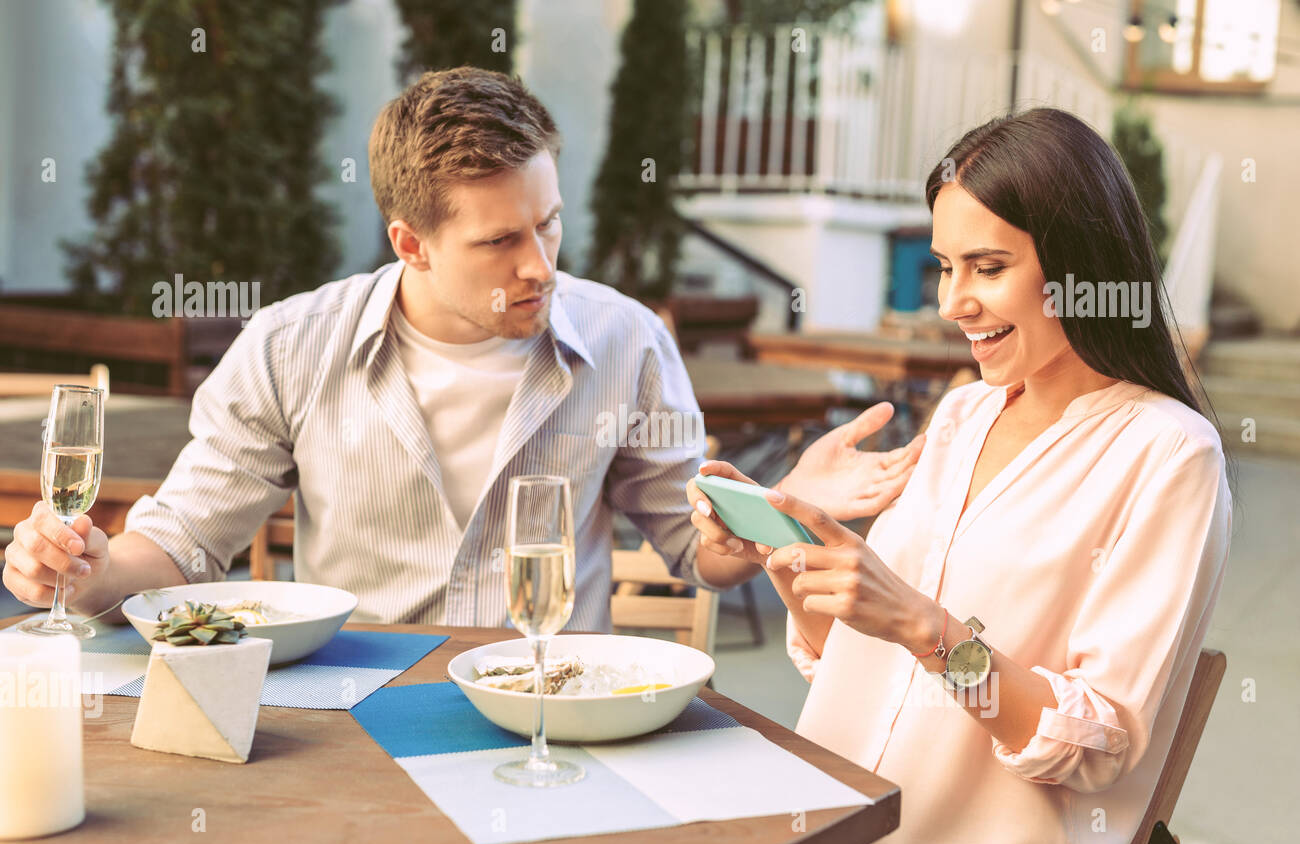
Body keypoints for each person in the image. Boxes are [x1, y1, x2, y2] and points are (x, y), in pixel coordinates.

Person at [3, 67, 922, 630]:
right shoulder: (291, 346)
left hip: (555, 708)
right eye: (498, 244)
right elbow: (186, 541)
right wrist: (88, 570)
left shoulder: (627, 339)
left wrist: (774, 515)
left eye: (549, 226)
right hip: (356, 719)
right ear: (411, 243)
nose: (539, 268)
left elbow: (697, 550)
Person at [687, 107, 1235, 844]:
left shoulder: (1169, 455)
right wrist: (793, 560)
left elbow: (1096, 741)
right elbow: (857, 660)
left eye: (988, 267)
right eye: (945, 266)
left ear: (1079, 269)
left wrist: (926, 629)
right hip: (820, 831)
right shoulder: (962, 414)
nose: (951, 303)